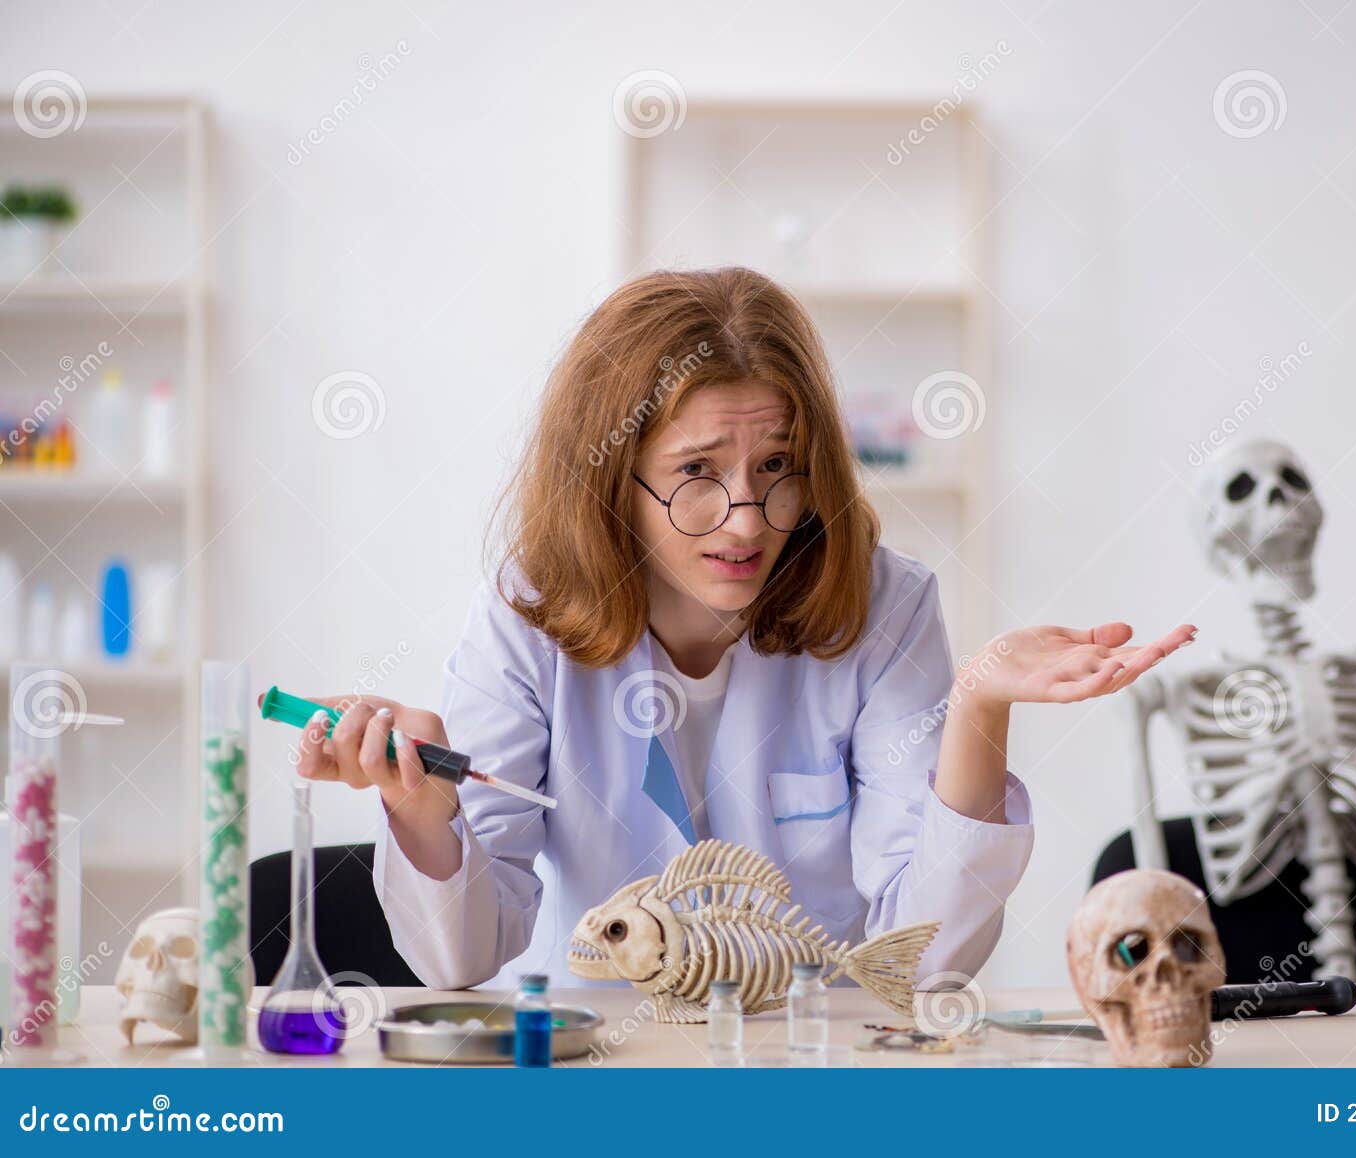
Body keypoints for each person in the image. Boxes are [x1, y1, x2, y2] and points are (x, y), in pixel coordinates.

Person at [293, 267, 1194, 989]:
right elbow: (460, 959)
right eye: (696, 471)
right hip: (594, 1069)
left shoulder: (885, 605)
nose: (748, 518)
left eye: (777, 466)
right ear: (609, 482)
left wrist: (979, 710)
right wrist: (423, 809)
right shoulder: (524, 618)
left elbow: (925, 961)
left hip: (810, 1068)